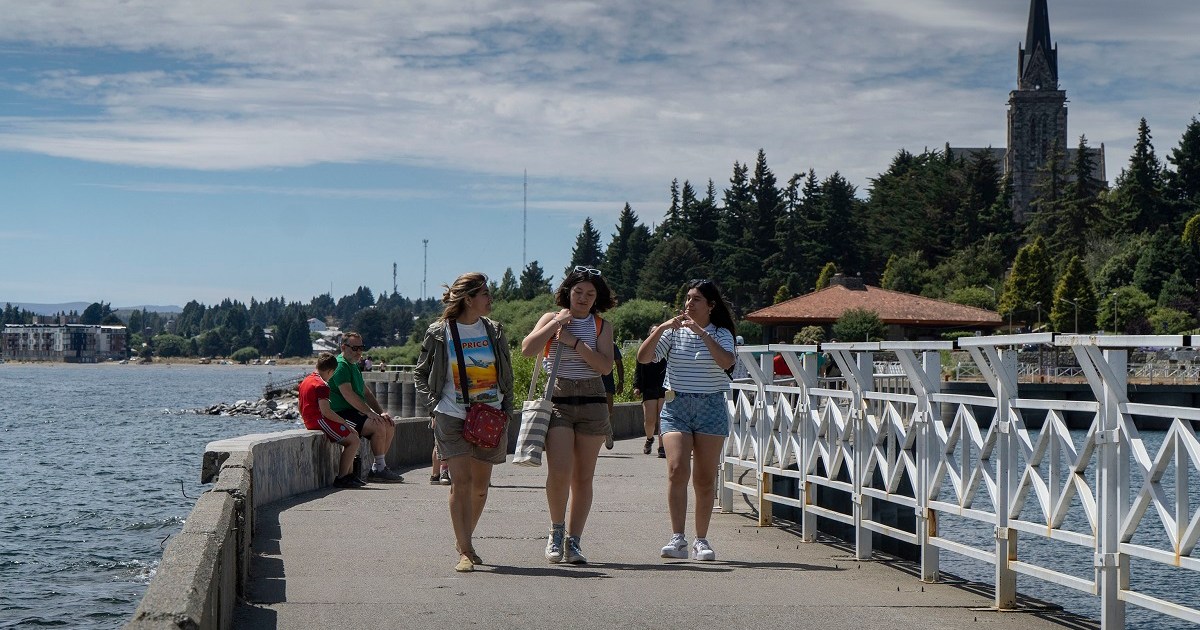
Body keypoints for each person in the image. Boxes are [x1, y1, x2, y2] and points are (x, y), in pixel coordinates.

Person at [414, 272, 514, 572]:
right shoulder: (439, 332)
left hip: (490, 417)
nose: (490, 298)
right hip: (451, 415)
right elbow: (420, 373)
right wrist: (434, 406)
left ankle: (463, 539)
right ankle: (466, 550)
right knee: (462, 482)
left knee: (481, 488)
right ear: (468, 299)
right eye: (485, 293)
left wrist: (507, 407)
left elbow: (505, 371)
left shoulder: (494, 330)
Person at [520, 266, 615, 564]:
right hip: (557, 398)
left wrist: (573, 342)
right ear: (567, 293)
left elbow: (604, 366)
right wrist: (555, 325)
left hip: (592, 400)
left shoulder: (601, 325)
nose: (583, 298)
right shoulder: (552, 318)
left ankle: (574, 541)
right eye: (578, 292)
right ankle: (556, 531)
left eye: (590, 293)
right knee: (559, 472)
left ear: (597, 297)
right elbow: (527, 349)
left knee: (583, 478)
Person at [637, 279, 736, 562]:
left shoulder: (721, 332)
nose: (688, 304)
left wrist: (701, 333)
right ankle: (677, 538)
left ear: (710, 305)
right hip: (676, 404)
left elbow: (727, 361)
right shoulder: (673, 333)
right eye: (687, 299)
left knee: (705, 479)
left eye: (695, 300)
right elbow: (644, 358)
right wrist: (662, 329)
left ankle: (701, 540)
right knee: (677, 469)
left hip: (711, 405)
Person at [328, 331, 404, 483]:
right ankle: (379, 470)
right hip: (341, 413)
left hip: (354, 411)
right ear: (343, 347)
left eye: (361, 348)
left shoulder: (354, 365)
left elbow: (366, 393)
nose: (359, 352)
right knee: (377, 426)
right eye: (354, 348)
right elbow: (348, 395)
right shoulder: (341, 366)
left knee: (388, 424)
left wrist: (381, 413)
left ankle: (379, 467)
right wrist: (370, 413)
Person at [299, 352, 364, 489]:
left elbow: (300, 405)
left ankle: (350, 475)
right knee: (354, 440)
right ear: (330, 371)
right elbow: (326, 412)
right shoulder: (322, 385)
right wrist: (345, 423)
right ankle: (342, 478)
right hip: (319, 420)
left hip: (310, 419)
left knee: (354, 436)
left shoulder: (306, 380)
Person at [633, 325, 667, 457]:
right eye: (653, 332)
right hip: (649, 387)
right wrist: (637, 386)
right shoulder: (644, 350)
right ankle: (649, 439)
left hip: (664, 387)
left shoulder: (667, 348)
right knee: (650, 420)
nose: (656, 334)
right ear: (650, 334)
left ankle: (662, 447)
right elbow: (638, 371)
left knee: (662, 418)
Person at [600, 342, 624, 450]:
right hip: (591, 379)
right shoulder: (589, 340)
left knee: (608, 411)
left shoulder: (611, 345)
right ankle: (598, 436)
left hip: (607, 380)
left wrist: (621, 381)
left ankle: (608, 433)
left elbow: (619, 363)